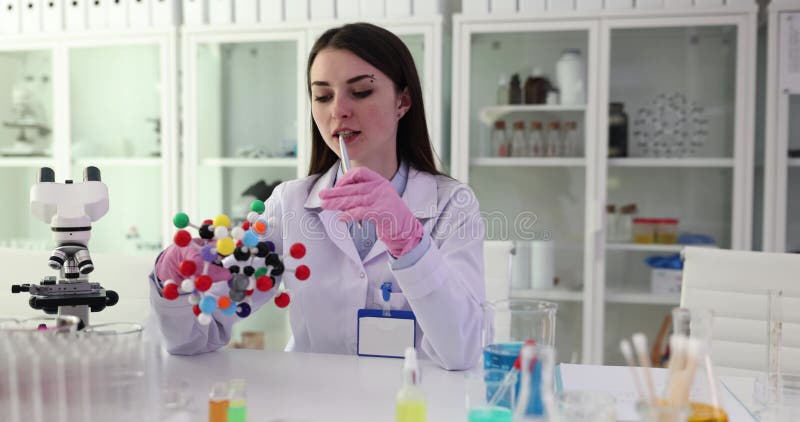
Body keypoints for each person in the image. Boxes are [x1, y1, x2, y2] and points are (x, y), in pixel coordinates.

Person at [149, 23, 485, 370]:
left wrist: (410, 241)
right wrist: (173, 277)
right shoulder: (289, 205)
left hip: (411, 404)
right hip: (310, 404)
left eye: (361, 92)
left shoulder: (451, 204)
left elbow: (463, 351)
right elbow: (192, 340)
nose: (338, 110)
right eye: (323, 96)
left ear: (402, 101)